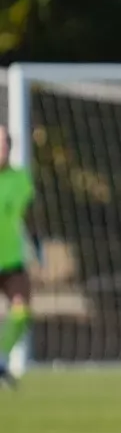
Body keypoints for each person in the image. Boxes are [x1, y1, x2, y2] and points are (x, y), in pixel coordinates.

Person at [0, 127, 37, 386]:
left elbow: (32, 215)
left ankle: (1, 358)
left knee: (22, 310)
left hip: (11, 259)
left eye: (4, 143)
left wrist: (38, 246)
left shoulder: (20, 178)